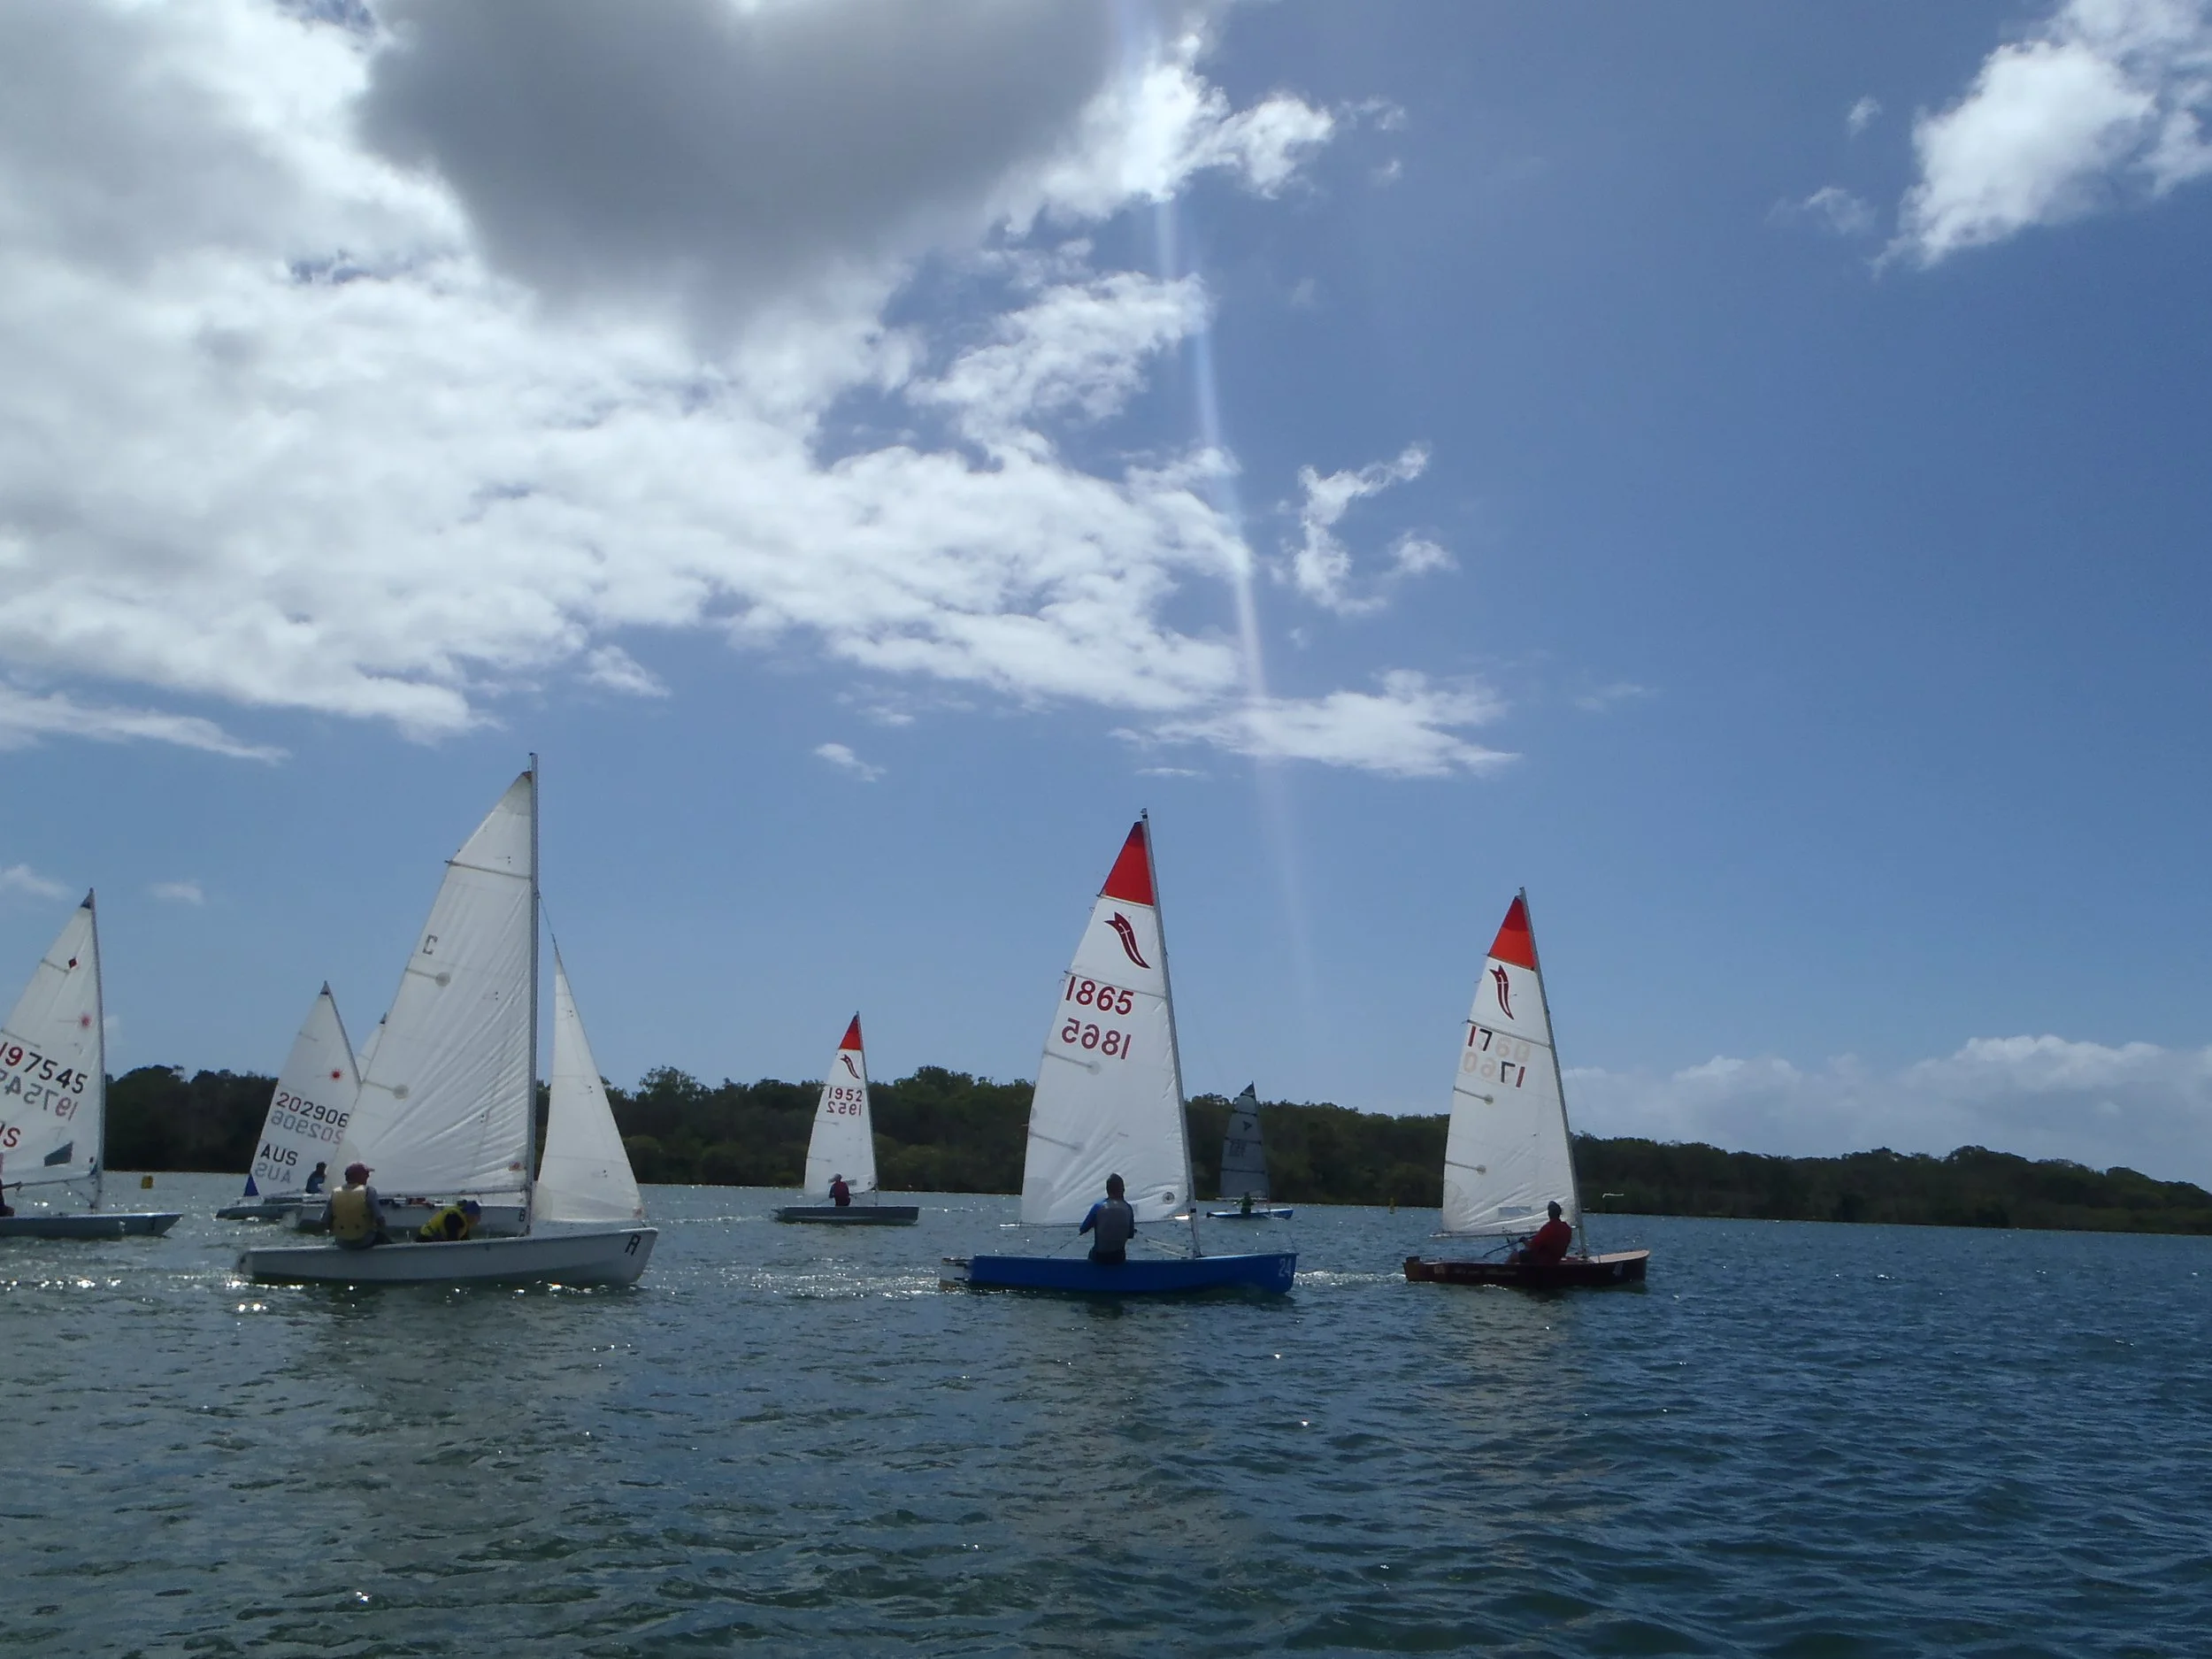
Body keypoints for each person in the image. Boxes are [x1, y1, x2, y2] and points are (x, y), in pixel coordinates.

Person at [327, 1162, 388, 1249]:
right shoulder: (369, 1192)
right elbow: (380, 1219)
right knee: (385, 1238)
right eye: (366, 1174)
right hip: (365, 1241)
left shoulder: (335, 1193)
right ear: (359, 1176)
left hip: (341, 1243)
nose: (368, 1176)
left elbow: (325, 1222)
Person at [1079, 1173, 1136, 1265]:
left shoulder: (1098, 1207)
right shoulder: (1128, 1208)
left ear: (1107, 1190)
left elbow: (1083, 1229)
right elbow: (1130, 1235)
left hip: (1100, 1257)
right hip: (1119, 1258)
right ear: (1122, 1189)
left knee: (1092, 1252)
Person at [1512, 1200, 1575, 1265]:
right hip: (1555, 1260)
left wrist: (1524, 1240)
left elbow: (1532, 1246)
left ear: (1549, 1214)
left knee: (1514, 1256)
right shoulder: (1567, 1228)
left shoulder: (1547, 1228)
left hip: (1541, 1261)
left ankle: (1506, 1272)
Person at [415, 1199, 482, 1242]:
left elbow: (465, 1240)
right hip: (426, 1239)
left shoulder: (464, 1220)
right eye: (476, 1217)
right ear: (470, 1214)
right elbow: (452, 1241)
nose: (478, 1220)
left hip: (433, 1238)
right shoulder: (454, 1218)